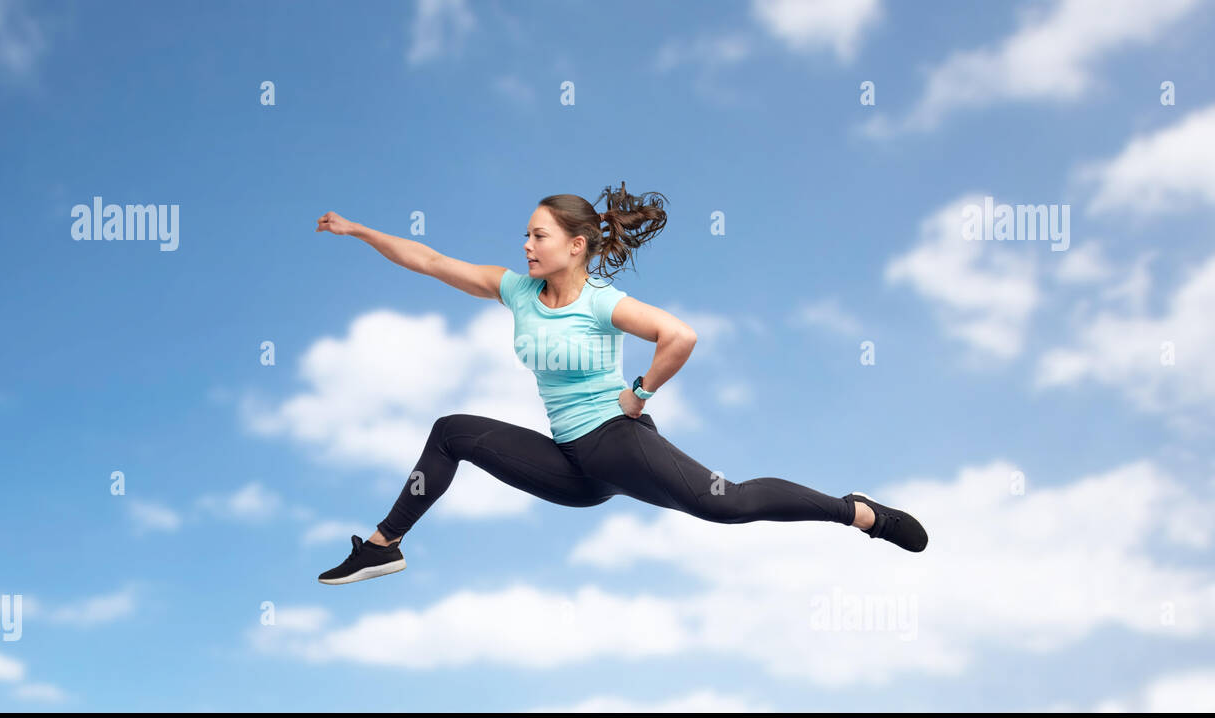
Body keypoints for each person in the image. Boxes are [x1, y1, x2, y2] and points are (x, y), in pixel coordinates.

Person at [314, 182, 927, 585]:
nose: (526, 245)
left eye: (539, 236)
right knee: (451, 433)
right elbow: (430, 260)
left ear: (576, 246)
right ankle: (384, 545)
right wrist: (360, 231)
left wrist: (638, 394)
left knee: (726, 503)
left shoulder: (603, 302)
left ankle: (860, 513)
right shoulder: (516, 292)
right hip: (573, 467)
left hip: (614, 440)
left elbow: (679, 336)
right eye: (525, 235)